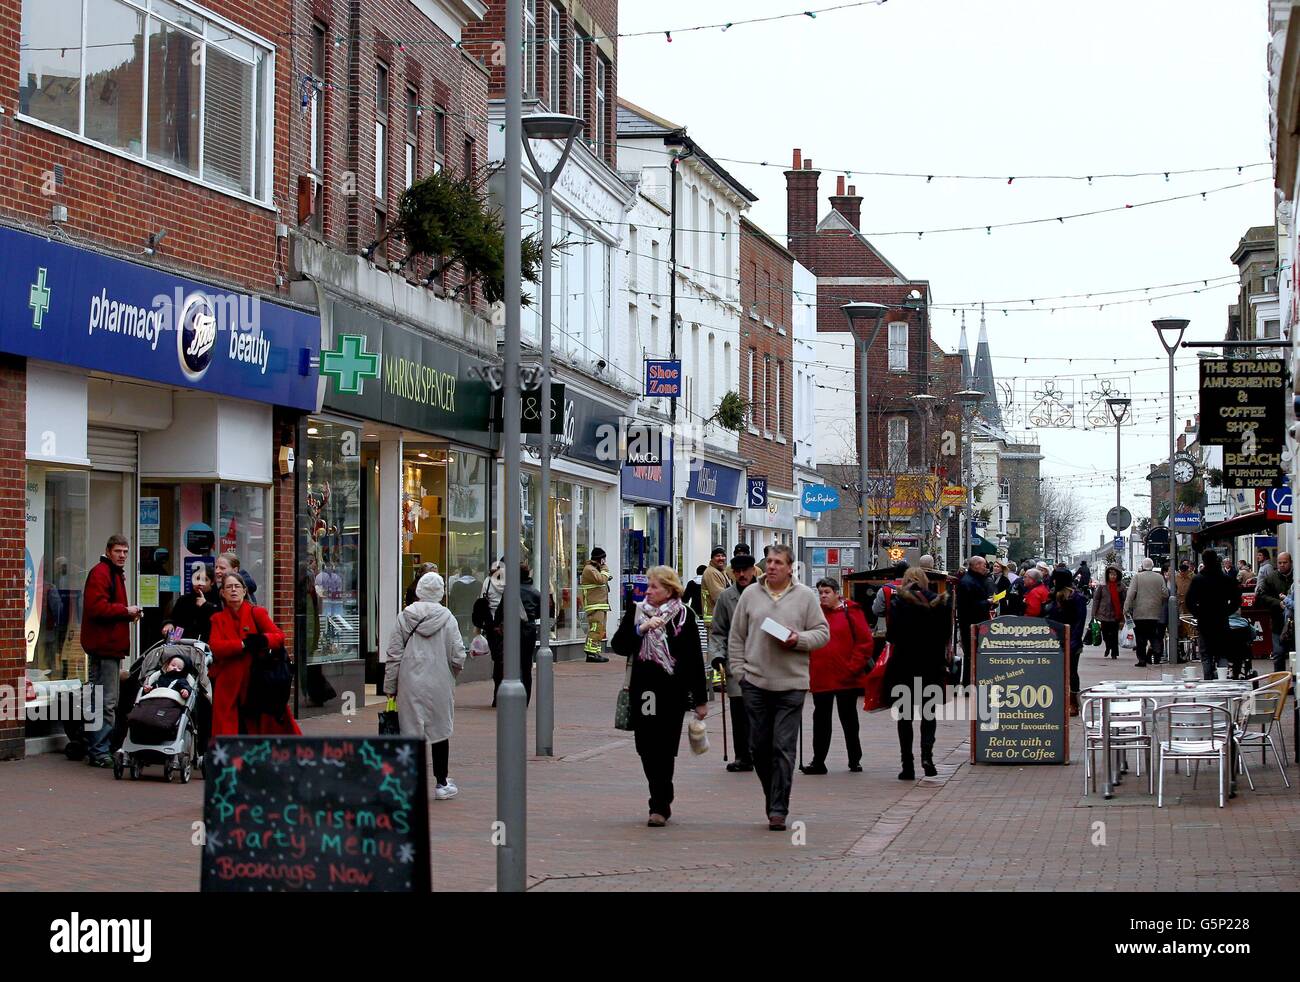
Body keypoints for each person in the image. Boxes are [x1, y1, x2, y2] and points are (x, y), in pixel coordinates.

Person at [727, 544, 830, 832]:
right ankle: (771, 794)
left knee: (782, 747)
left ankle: (778, 809)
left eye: (778, 562)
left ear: (789, 567)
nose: (771, 566)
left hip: (791, 684)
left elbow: (822, 633)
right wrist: (740, 672)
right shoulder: (750, 595)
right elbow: (736, 637)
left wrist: (798, 639)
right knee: (758, 748)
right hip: (755, 683)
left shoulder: (805, 597)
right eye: (769, 561)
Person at [610, 566, 708, 827]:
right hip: (643, 690)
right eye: (648, 586)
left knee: (664, 748)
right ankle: (661, 791)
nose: (649, 591)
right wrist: (640, 629)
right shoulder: (637, 611)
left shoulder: (684, 616)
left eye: (654, 587)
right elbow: (618, 645)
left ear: (669, 590)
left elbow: (694, 660)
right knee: (646, 747)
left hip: (672, 692)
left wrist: (700, 698)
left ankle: (659, 803)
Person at [384, 571, 466, 800]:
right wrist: (453, 674)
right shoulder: (448, 618)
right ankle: (441, 783)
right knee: (440, 732)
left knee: (411, 732)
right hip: (439, 682)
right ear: (440, 592)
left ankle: (410, 782)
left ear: (419, 590)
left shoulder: (405, 616)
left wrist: (390, 686)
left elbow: (393, 654)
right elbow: (458, 655)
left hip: (410, 681)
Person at [208, 572, 300, 737]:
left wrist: (262, 640)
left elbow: (279, 636)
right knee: (227, 727)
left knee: (261, 724)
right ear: (222, 593)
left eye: (237, 586)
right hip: (228, 682)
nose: (233, 590)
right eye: (229, 587)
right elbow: (216, 646)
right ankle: (230, 760)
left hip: (256, 679)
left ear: (244, 591)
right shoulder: (218, 619)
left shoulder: (256, 612)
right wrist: (243, 644)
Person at [80, 535, 143, 766]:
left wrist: (126, 612)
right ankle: (99, 751)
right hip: (104, 647)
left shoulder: (112, 573)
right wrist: (126, 611)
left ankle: (95, 748)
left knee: (100, 700)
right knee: (105, 701)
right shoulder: (102, 573)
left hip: (107, 646)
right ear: (108, 551)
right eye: (118, 551)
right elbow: (97, 608)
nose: (122, 555)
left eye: (125, 552)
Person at [801, 578, 872, 775]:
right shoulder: (814, 615)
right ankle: (818, 761)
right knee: (821, 719)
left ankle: (854, 759)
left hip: (846, 676)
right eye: (820, 592)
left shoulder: (851, 611)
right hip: (821, 675)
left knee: (848, 719)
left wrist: (853, 666)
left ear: (836, 593)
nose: (823, 596)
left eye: (827, 592)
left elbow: (865, 642)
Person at [884, 567, 950, 778]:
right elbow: (946, 634)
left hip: (904, 665)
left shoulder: (898, 603)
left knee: (905, 716)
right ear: (925, 581)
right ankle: (927, 756)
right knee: (928, 714)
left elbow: (892, 635)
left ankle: (907, 765)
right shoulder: (940, 603)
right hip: (931, 665)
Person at [709, 554, 759, 772]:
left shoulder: (768, 594)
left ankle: (762, 753)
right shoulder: (726, 597)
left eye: (745, 570)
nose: (741, 575)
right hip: (737, 662)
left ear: (753, 571)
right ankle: (743, 757)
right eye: (736, 571)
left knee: (761, 712)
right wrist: (717, 655)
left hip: (764, 662)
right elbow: (718, 631)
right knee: (739, 712)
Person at [1186, 549, 1242, 681]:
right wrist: (1227, 611)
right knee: (1222, 653)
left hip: (1204, 621)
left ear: (1204, 561)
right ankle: (1222, 680)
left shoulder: (1198, 579)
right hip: (1221, 620)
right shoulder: (1225, 579)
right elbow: (1236, 599)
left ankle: (1208, 679)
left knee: (1206, 654)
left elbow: (1189, 601)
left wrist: (1198, 613)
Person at [492, 561, 542, 705]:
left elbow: (500, 612)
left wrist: (497, 626)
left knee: (506, 663)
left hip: (510, 630)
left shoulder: (510, 591)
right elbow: (540, 612)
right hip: (529, 631)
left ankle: (502, 696)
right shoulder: (535, 592)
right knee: (526, 665)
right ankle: (524, 699)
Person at [1045, 569, 1088, 716]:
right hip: (1054, 640)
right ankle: (1057, 700)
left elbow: (1079, 622)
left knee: (1071, 672)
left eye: (1055, 579)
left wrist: (1074, 640)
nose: (1053, 581)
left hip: (1070, 640)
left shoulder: (1076, 598)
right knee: (1054, 672)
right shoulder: (1052, 596)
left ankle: (1073, 702)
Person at [955, 556, 994, 685]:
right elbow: (969, 605)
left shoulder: (972, 580)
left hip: (974, 622)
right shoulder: (968, 582)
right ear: (976, 565)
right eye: (984, 565)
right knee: (971, 654)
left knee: (973, 653)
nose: (986, 568)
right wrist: (987, 602)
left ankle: (971, 680)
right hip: (971, 622)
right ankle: (969, 682)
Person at [1124, 558, 1169, 667]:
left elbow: (1131, 593)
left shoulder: (1137, 577)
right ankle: (1156, 647)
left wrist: (1126, 608)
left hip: (1139, 613)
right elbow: (1165, 594)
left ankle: (1142, 660)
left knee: (1140, 637)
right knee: (1152, 634)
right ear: (1152, 566)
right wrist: (1158, 600)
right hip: (1154, 612)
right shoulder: (1159, 577)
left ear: (1143, 566)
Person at [160, 561, 215, 643]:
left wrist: (206, 605)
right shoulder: (184, 600)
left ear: (212, 582)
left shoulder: (217, 599)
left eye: (205, 580)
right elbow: (175, 621)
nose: (199, 583)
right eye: (197, 578)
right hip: (183, 645)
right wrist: (169, 624)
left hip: (207, 646)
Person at [1255, 552, 1292, 672]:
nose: (1282, 565)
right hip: (1278, 621)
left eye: (1285, 562)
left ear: (1290, 563)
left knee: (1295, 654)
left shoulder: (1296, 577)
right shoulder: (1271, 578)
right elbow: (1262, 596)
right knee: (1279, 654)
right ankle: (1280, 682)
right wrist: (1278, 603)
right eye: (1280, 563)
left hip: (1295, 622)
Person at [578, 548, 613, 663]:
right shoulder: (589, 569)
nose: (604, 561)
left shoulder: (594, 569)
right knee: (595, 628)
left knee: (600, 629)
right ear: (600, 559)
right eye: (603, 559)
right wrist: (605, 570)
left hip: (600, 604)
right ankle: (591, 653)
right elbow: (601, 580)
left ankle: (595, 652)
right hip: (594, 605)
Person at [1088, 564, 1126, 660]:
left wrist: (1124, 612)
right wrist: (1094, 613)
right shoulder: (1102, 586)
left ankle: (1114, 652)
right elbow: (1096, 599)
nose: (1113, 576)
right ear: (1107, 575)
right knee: (1105, 634)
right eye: (1111, 574)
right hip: (1103, 614)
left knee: (1114, 634)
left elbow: (1123, 600)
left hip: (1115, 614)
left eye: (1114, 575)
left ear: (1118, 575)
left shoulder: (1121, 587)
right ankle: (1108, 646)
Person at [702, 547, 730, 621]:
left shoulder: (721, 571)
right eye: (717, 556)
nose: (721, 558)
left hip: (720, 618)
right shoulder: (711, 573)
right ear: (712, 558)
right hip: (714, 620)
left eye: (723, 556)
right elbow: (719, 597)